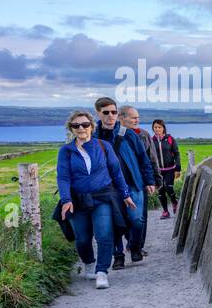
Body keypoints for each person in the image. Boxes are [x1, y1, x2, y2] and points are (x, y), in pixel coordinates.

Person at [56, 110, 135, 289]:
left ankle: (102, 272)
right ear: (71, 129)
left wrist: (125, 194)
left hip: (102, 198)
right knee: (82, 239)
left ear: (92, 126)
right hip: (78, 200)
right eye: (76, 125)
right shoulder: (66, 151)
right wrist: (66, 200)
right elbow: (63, 177)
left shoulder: (103, 146)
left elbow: (116, 171)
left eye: (85, 124)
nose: (81, 128)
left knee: (104, 234)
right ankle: (89, 262)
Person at [94, 97, 155, 268]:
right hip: (108, 188)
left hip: (133, 184)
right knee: (112, 222)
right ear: (98, 114)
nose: (110, 116)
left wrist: (149, 180)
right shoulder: (93, 137)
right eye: (106, 113)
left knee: (137, 220)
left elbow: (143, 159)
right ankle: (118, 256)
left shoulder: (128, 134)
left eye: (113, 112)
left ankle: (134, 246)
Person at [120, 106, 158, 253]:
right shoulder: (113, 136)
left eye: (137, 117)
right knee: (123, 216)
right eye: (133, 117)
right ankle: (127, 244)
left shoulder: (143, 134)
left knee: (140, 216)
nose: (137, 120)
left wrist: (153, 180)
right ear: (121, 118)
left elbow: (150, 158)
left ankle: (137, 247)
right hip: (119, 182)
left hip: (139, 181)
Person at [148, 118, 181, 219]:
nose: (157, 129)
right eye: (155, 127)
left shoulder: (170, 139)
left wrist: (178, 169)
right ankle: (165, 212)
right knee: (161, 191)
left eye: (159, 127)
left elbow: (176, 154)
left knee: (168, 187)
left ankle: (175, 202)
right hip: (158, 171)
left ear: (163, 128)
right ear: (153, 129)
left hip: (170, 169)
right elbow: (149, 156)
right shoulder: (151, 141)